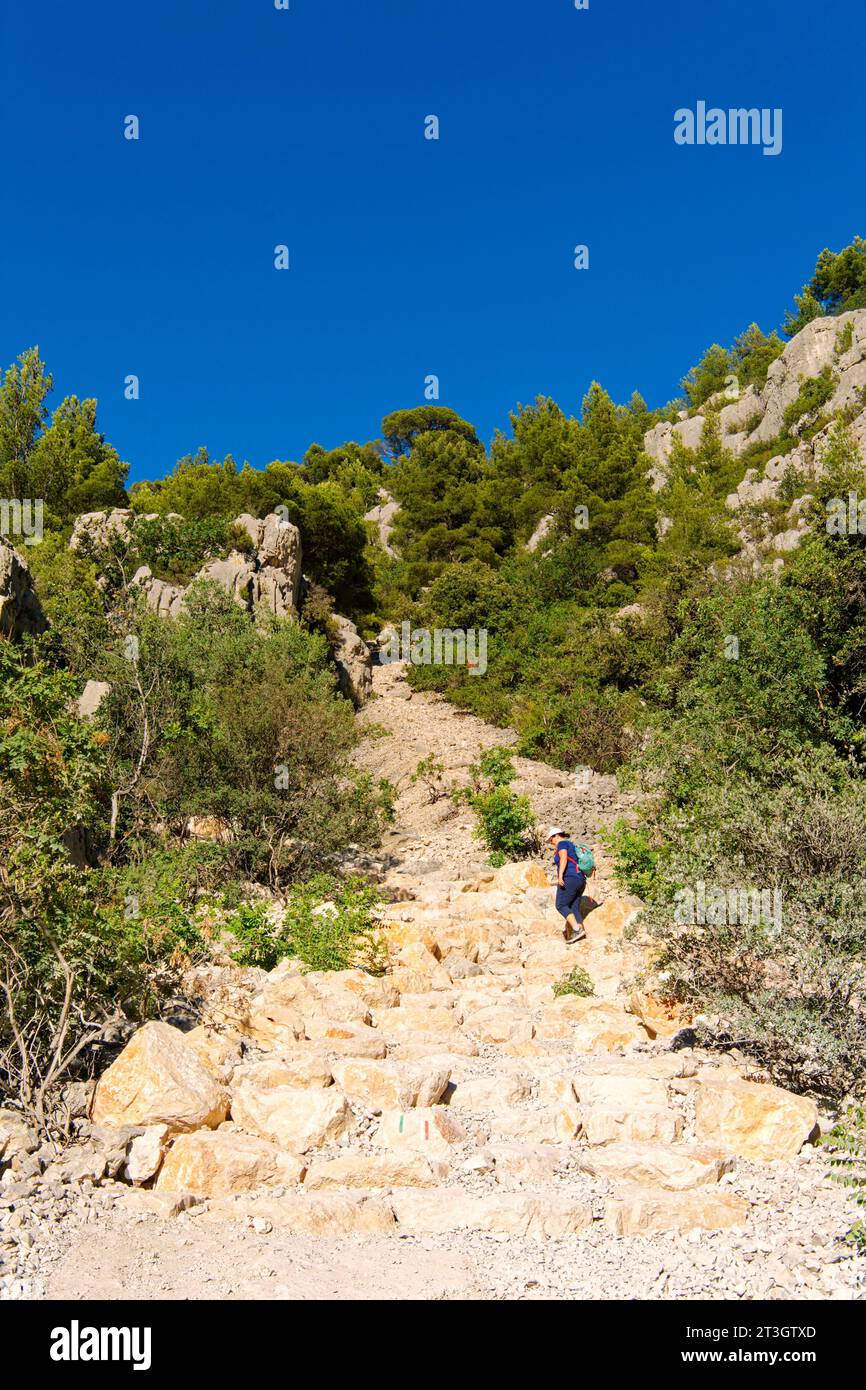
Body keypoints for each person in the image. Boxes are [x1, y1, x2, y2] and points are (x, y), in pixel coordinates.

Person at [547, 826, 586, 943]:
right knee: (574, 907)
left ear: (557, 835)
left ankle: (576, 929)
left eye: (551, 839)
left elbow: (563, 858)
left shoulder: (562, 844)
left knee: (560, 905)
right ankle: (581, 936)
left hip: (569, 878)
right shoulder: (571, 845)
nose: (550, 842)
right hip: (580, 879)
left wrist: (560, 876)